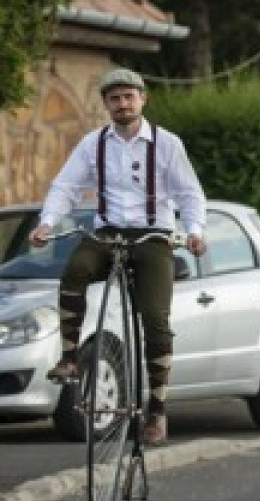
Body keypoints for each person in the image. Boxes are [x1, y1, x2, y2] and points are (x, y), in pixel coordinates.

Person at [28, 67, 208, 446]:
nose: (123, 104)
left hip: (152, 236)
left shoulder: (167, 144)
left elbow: (189, 193)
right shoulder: (93, 144)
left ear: (143, 100)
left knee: (155, 319)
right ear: (106, 105)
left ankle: (157, 408)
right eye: (115, 99)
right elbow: (66, 186)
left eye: (129, 97)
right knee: (74, 271)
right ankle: (71, 358)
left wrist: (194, 231)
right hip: (107, 233)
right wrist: (47, 223)